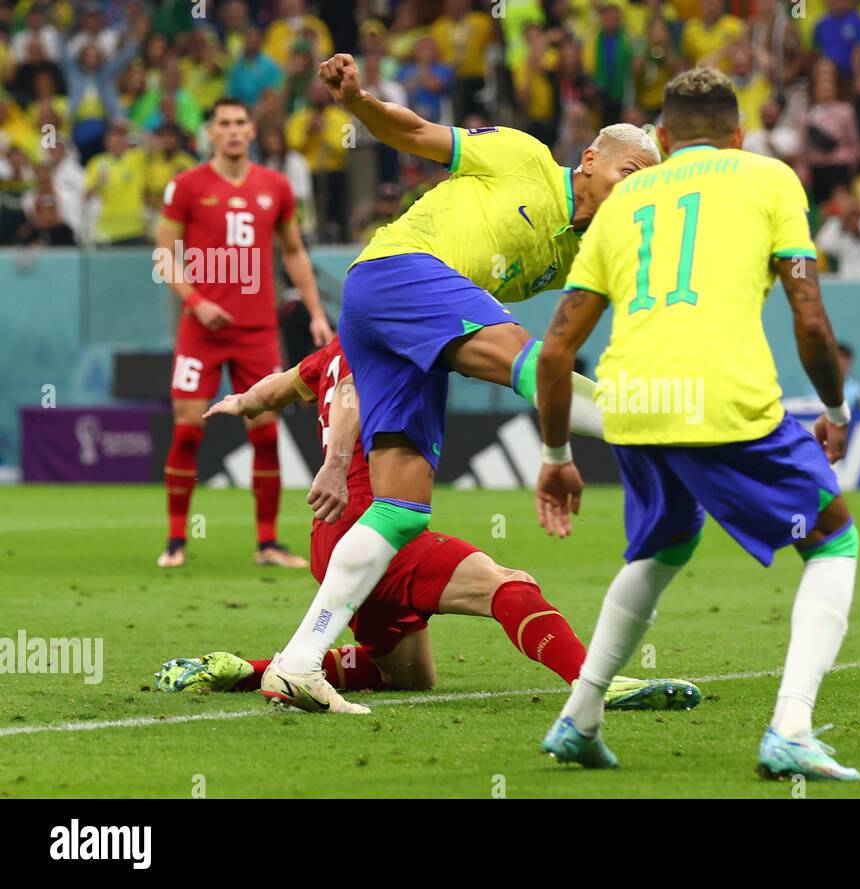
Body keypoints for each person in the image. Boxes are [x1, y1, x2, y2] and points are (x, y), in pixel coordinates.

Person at [257, 53, 660, 712]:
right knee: (522, 356)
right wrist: (358, 102)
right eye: (632, 174)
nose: (640, 192)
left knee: (400, 507)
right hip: (397, 269)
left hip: (409, 336)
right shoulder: (521, 155)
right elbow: (417, 134)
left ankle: (298, 660)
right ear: (589, 159)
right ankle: (648, 423)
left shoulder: (589, 252)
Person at [533, 68, 860, 782]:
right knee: (835, 537)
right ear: (738, 136)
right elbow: (810, 318)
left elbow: (556, 349)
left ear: (660, 139)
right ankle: (792, 727)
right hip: (721, 398)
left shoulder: (621, 203)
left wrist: (556, 451)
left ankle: (580, 716)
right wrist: (833, 409)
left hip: (631, 403)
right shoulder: (770, 179)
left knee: (666, 543)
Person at [158, 337, 700, 715]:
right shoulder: (383, 343)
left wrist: (240, 401)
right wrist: (338, 464)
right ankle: (594, 684)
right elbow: (350, 393)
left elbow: (275, 389)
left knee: (410, 678)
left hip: (331, 539)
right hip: (376, 524)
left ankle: (246, 669)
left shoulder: (329, 352)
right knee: (506, 584)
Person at [154, 97, 333, 569]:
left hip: (257, 331)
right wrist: (196, 301)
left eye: (240, 123)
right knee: (189, 429)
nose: (233, 131)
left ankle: (268, 542)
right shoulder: (186, 186)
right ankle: (176, 540)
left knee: (265, 432)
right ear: (209, 132)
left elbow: (294, 252)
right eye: (224, 123)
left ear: (252, 131)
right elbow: (163, 255)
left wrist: (315, 310)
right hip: (201, 330)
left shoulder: (275, 187)